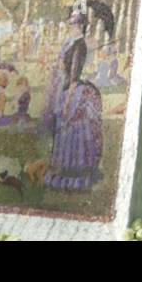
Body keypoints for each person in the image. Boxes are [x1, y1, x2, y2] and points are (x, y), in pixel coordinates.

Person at [43, 10, 104, 191]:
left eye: (72, 24)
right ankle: (64, 166)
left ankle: (75, 168)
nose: (70, 27)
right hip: (64, 88)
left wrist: (69, 99)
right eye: (70, 23)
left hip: (73, 90)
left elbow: (75, 74)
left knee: (72, 127)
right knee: (62, 129)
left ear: (80, 26)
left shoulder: (79, 46)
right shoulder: (71, 43)